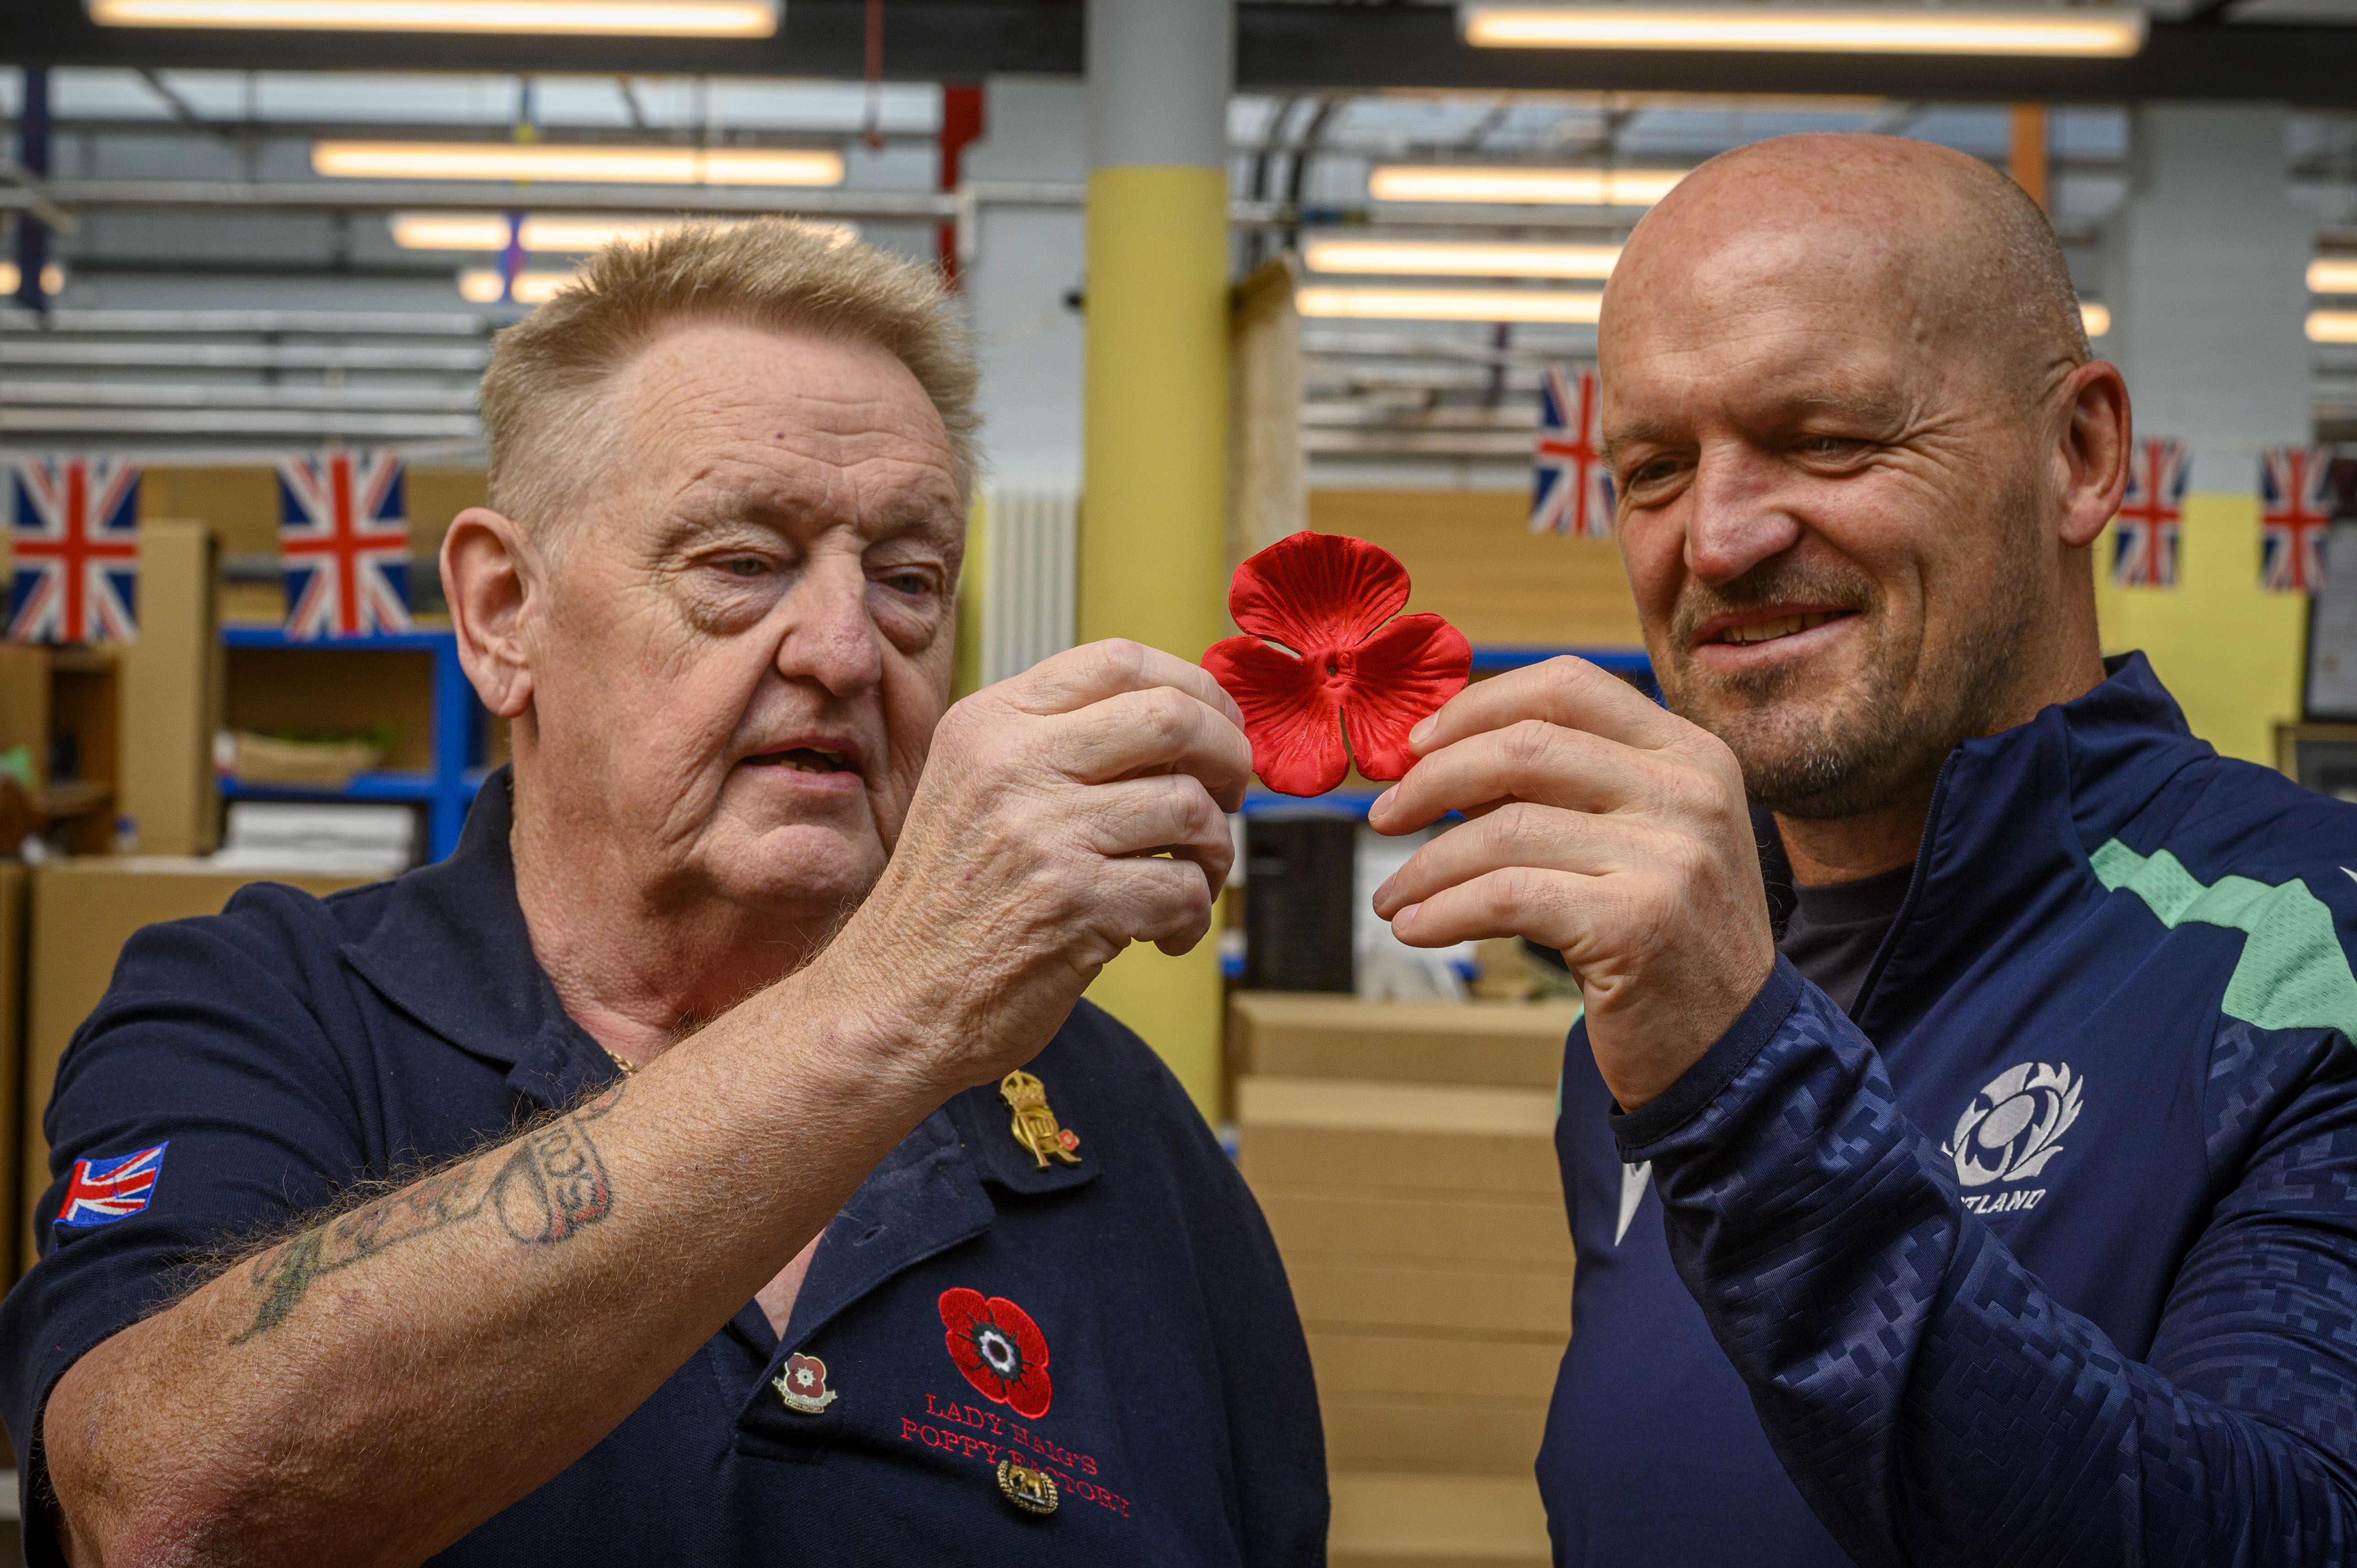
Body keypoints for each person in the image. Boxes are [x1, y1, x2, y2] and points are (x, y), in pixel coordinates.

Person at [0, 220, 1328, 1567]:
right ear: (503, 612)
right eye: (741, 564)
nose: (845, 649)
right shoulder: (265, 1012)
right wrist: (893, 1005)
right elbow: (160, 1503)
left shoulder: (1117, 1124)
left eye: (908, 580)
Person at [1368, 133, 2357, 1565]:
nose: (1716, 539)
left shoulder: (2304, 956)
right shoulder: (1649, 1030)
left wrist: (1747, 1093)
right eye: (1654, 468)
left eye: (1826, 439)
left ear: (2081, 456)